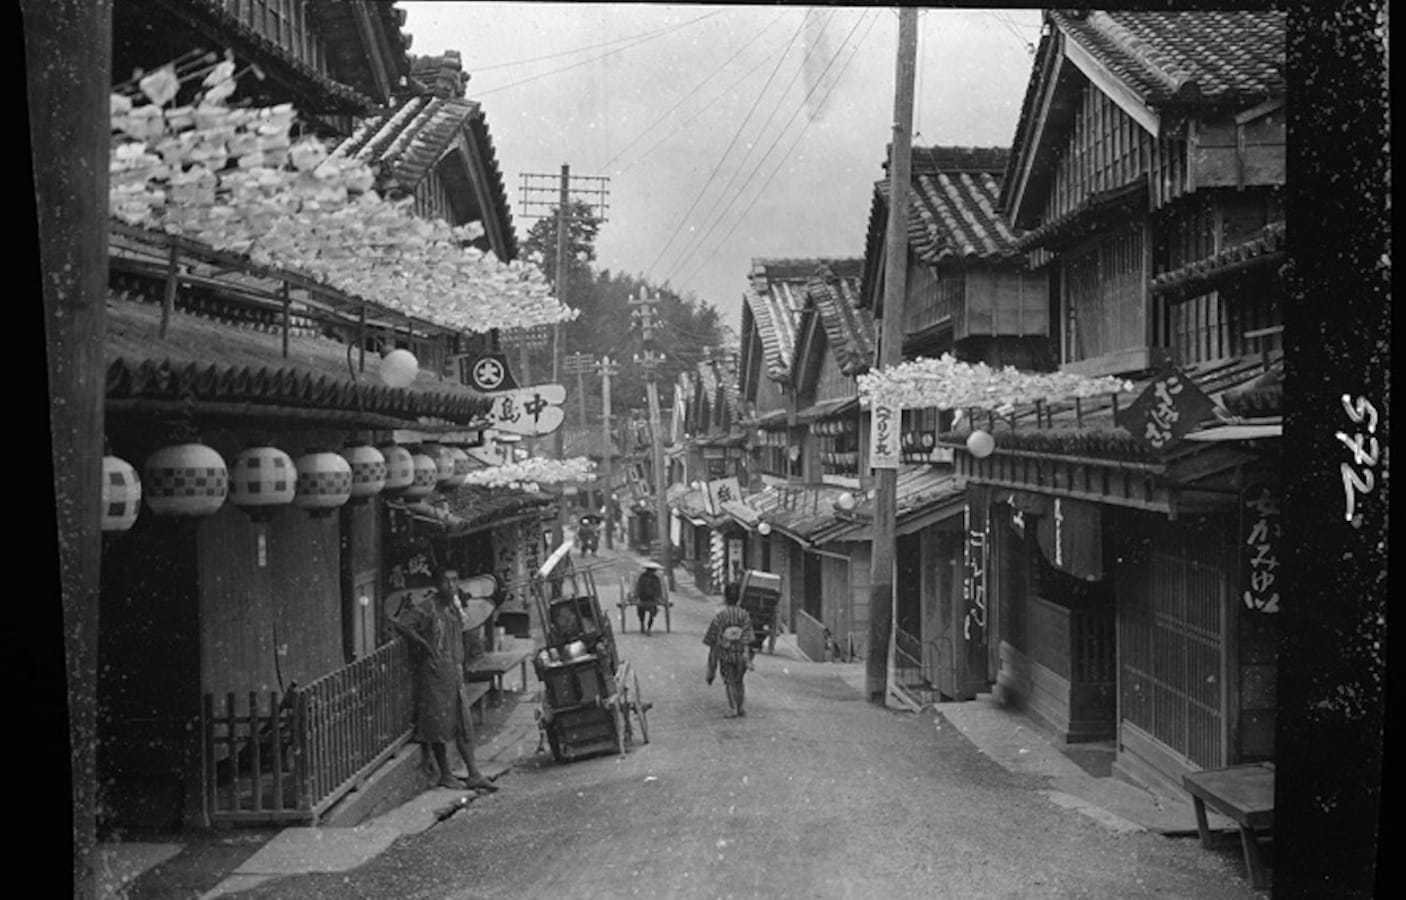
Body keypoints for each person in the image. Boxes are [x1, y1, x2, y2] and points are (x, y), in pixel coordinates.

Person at [389, 566, 499, 793]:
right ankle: (445, 774)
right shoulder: (428, 607)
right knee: (439, 725)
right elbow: (402, 624)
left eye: (455, 580)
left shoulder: (454, 605)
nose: (451, 585)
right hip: (435, 674)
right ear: (437, 585)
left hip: (455, 672)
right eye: (446, 581)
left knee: (463, 724)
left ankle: (474, 773)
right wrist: (422, 643)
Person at [703, 581, 756, 718]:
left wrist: (711, 668)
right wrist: (748, 657)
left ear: (725, 598)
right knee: (739, 680)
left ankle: (733, 708)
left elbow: (713, 640)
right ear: (738, 598)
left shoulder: (720, 617)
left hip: (726, 654)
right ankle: (741, 707)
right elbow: (748, 638)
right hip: (741, 654)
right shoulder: (744, 615)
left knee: (729, 682)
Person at [634, 562, 664, 635]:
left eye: (653, 570)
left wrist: (658, 597)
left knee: (652, 614)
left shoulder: (656, 578)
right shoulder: (642, 577)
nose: (652, 572)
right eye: (650, 570)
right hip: (643, 598)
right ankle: (642, 624)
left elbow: (658, 589)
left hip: (652, 599)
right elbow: (639, 588)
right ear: (647, 570)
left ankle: (649, 628)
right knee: (641, 613)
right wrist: (637, 597)